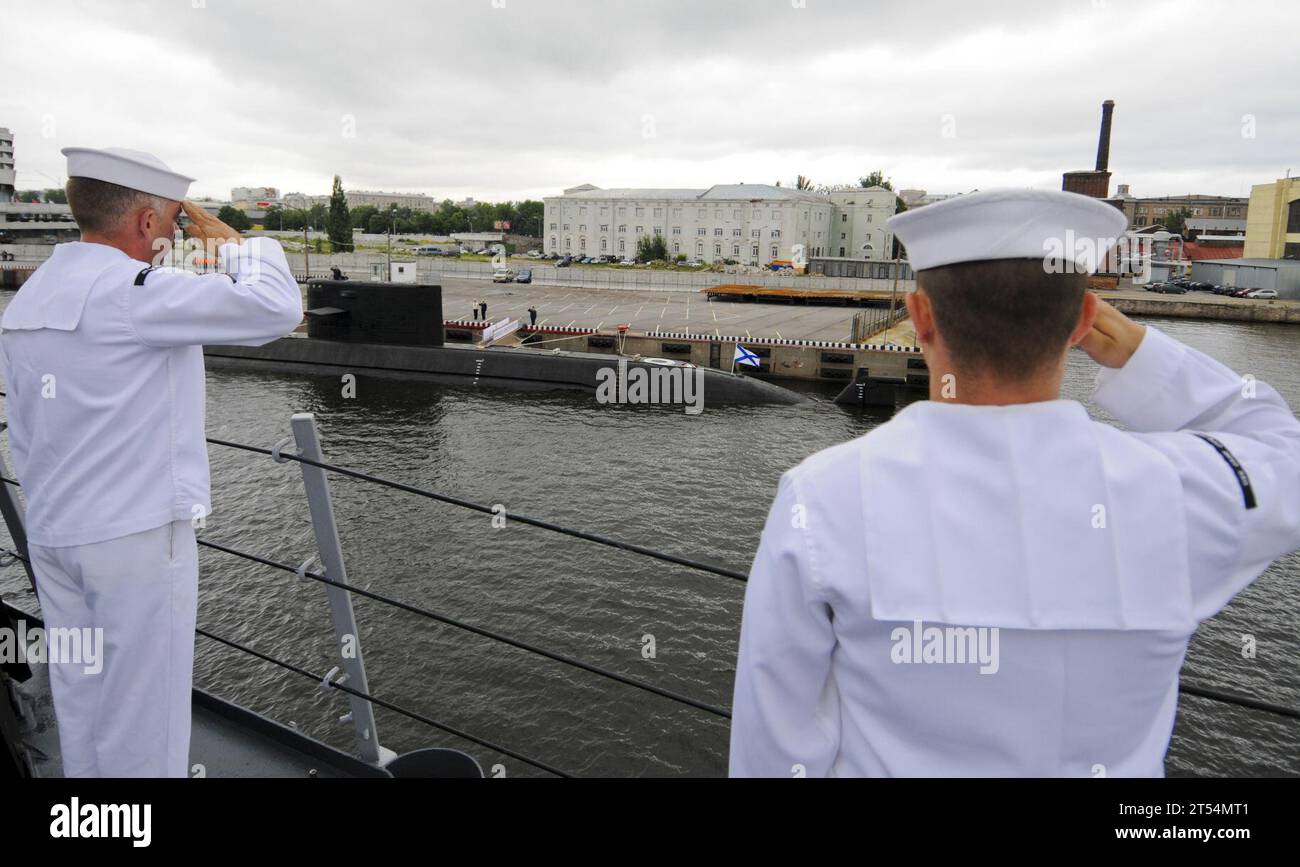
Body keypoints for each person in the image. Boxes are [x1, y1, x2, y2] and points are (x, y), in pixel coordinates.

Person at [729, 189, 1300, 777]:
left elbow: (773, 748)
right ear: (1082, 323)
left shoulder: (823, 498)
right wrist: (1143, 356)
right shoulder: (1179, 491)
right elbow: (1284, 449)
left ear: (920, 317)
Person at [0, 146, 303, 777]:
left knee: (82, 699)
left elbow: (27, 431)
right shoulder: (134, 293)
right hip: (134, 541)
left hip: (58, 535)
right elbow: (277, 308)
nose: (173, 236)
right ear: (144, 223)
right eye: (170, 222)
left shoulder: (30, 298)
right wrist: (239, 243)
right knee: (145, 716)